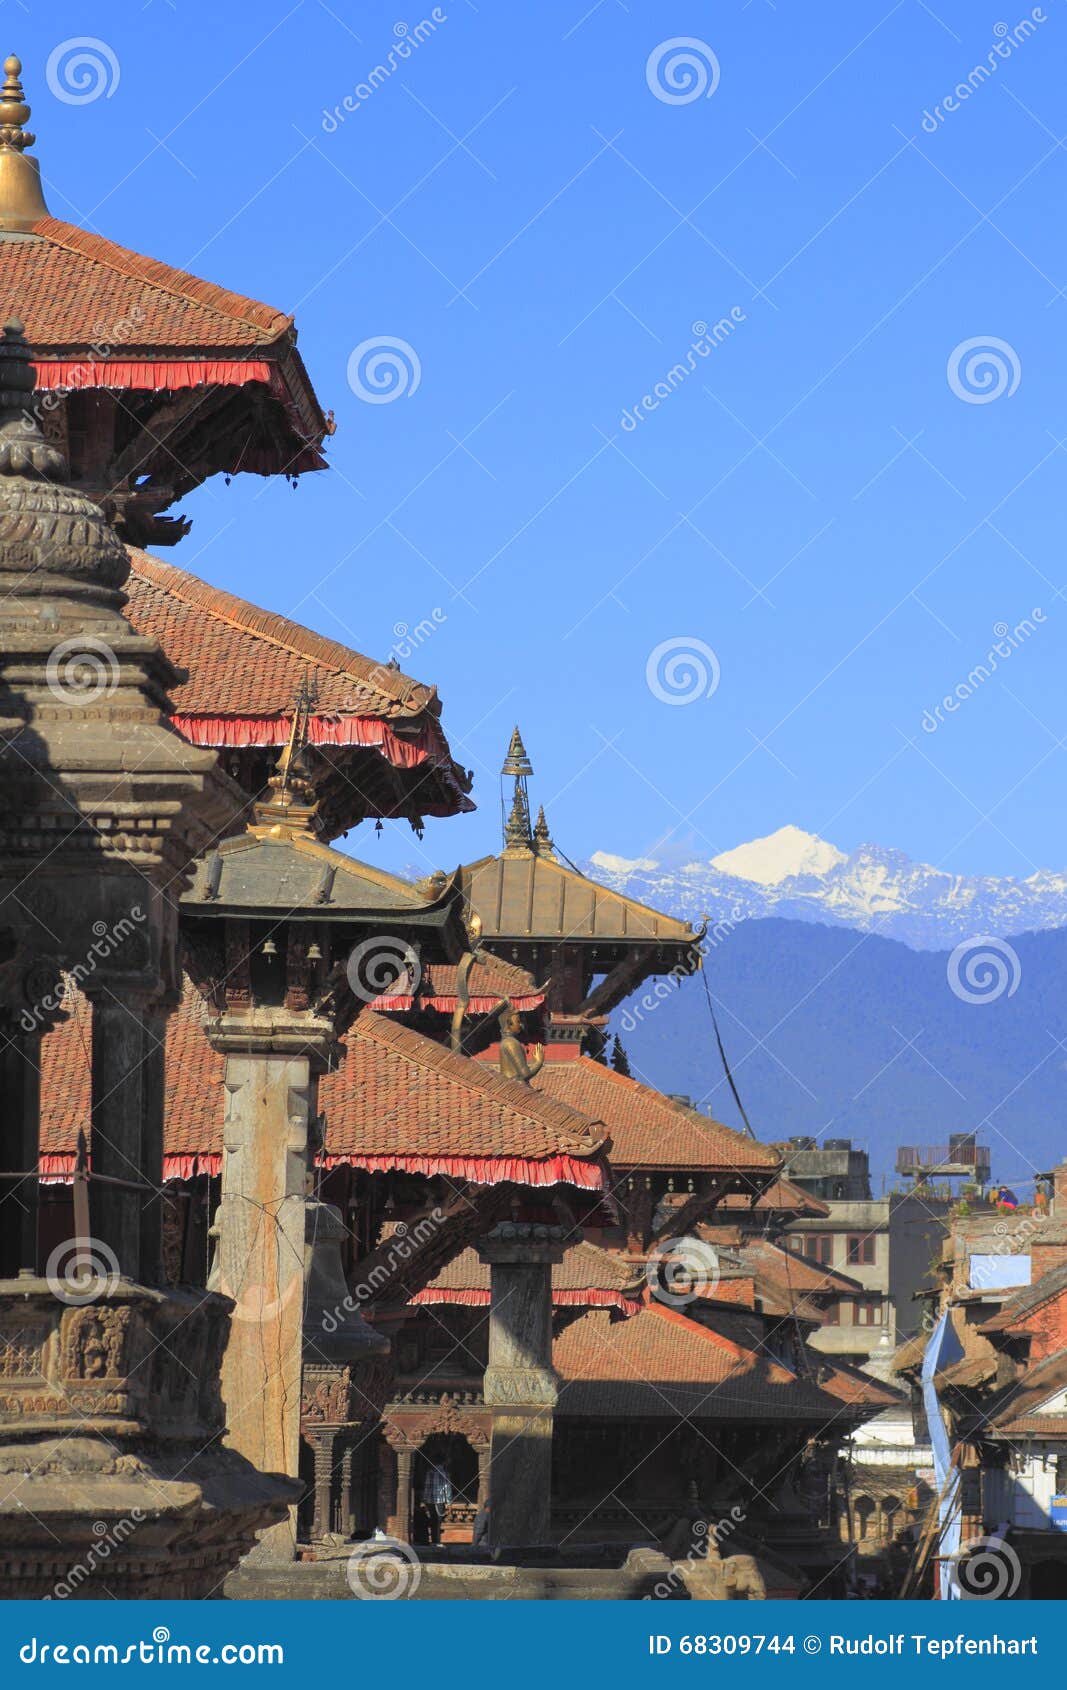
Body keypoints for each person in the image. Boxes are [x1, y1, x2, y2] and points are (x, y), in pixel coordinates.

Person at [421, 1460, 453, 1545]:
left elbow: (427, 1487)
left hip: (430, 1501)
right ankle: (436, 1541)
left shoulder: (429, 1473)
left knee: (433, 1521)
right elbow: (447, 1489)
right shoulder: (445, 1474)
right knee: (438, 1522)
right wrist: (449, 1503)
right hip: (440, 1501)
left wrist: (424, 1500)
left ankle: (433, 1540)